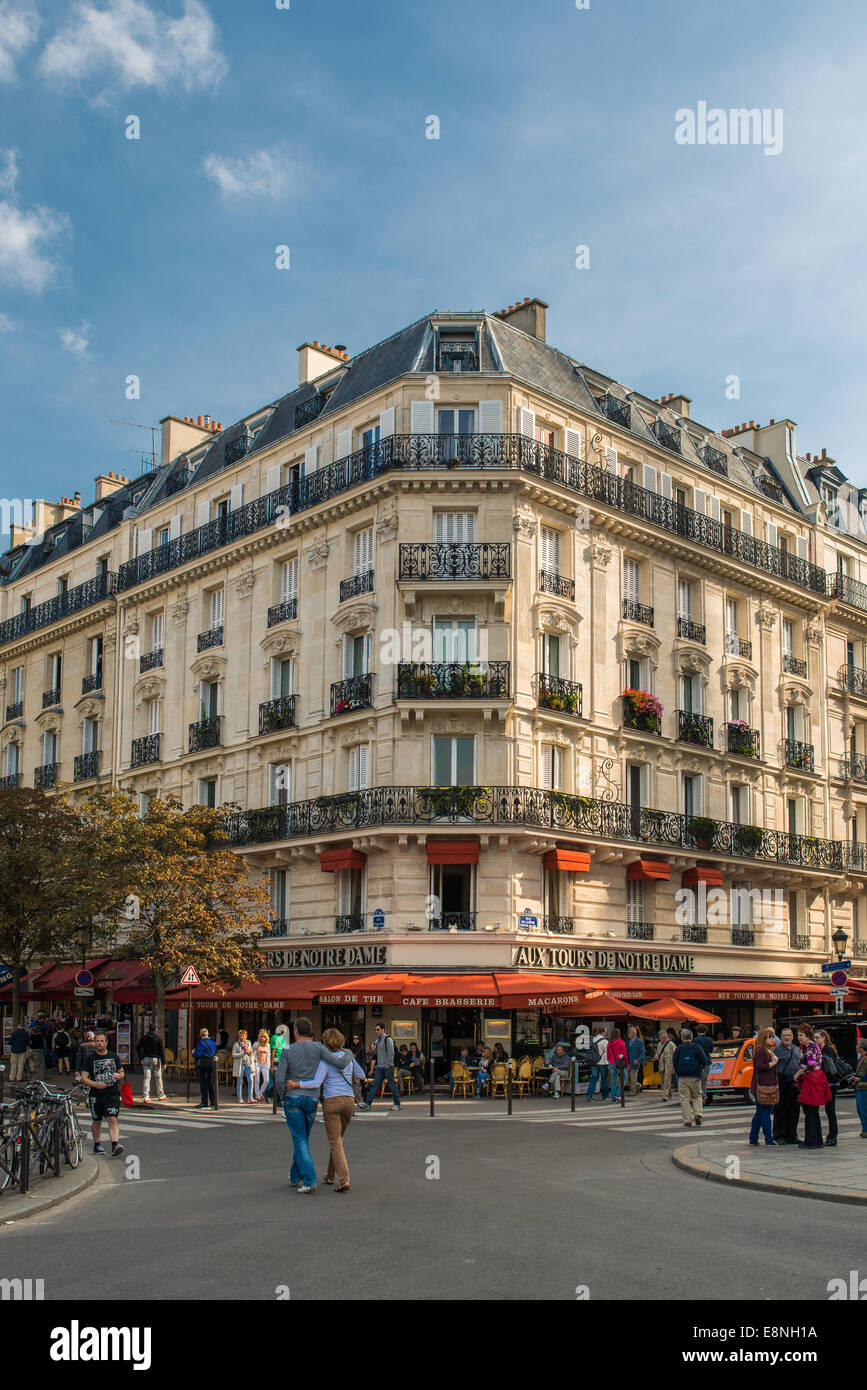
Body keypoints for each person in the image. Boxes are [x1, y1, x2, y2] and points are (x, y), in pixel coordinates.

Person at [273, 1018, 350, 1193]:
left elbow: (279, 1077)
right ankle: (295, 1175)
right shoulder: (319, 1048)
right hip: (312, 1098)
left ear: (295, 1031)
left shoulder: (287, 1050)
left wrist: (282, 1095)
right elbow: (339, 1063)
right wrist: (350, 1054)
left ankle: (308, 1180)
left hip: (293, 1096)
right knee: (302, 1137)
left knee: (299, 1138)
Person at [287, 1027, 367, 1192]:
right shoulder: (348, 1058)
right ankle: (330, 1175)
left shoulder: (325, 1061)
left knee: (335, 1142)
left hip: (332, 1101)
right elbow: (362, 1075)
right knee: (337, 1141)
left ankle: (344, 1179)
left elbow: (316, 1083)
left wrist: (296, 1084)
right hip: (349, 1101)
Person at [80, 1030, 125, 1157]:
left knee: (112, 1118)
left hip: (112, 1093)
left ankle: (115, 1144)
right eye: (97, 1041)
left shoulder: (113, 1056)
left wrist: (118, 1076)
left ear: (106, 1042)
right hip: (96, 1094)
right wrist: (96, 1084)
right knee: (97, 1121)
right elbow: (84, 1078)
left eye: (101, 1041)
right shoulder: (90, 1059)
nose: (99, 1043)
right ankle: (97, 1144)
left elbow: (122, 1072)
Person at [794, 1023, 830, 1149]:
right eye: (798, 1035)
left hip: (811, 1081)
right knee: (813, 1112)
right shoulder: (810, 1046)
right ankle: (817, 1140)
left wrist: (798, 1073)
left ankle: (811, 1141)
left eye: (801, 1035)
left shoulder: (810, 1047)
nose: (799, 1037)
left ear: (808, 1035)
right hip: (815, 1079)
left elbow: (811, 1064)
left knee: (809, 1112)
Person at [815, 1029, 852, 1148]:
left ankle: (832, 1137)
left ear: (824, 1038)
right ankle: (832, 1136)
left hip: (831, 1083)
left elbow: (831, 1069)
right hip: (829, 1083)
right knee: (829, 1110)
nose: (816, 1040)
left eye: (818, 1038)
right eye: (814, 1038)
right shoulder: (823, 1049)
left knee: (830, 1111)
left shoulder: (827, 1050)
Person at [748, 1026, 779, 1146]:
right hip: (763, 1085)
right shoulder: (761, 1051)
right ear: (763, 1039)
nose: (772, 1039)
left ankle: (753, 1138)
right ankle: (769, 1139)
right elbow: (759, 1066)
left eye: (772, 1036)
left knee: (760, 1113)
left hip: (765, 1085)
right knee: (765, 1113)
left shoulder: (767, 1050)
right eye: (769, 1037)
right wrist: (773, 1063)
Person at [772, 1027, 802, 1145]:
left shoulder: (796, 1049)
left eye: (788, 1035)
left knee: (794, 1110)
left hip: (795, 1084)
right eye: (784, 1035)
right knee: (781, 1110)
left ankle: (792, 1135)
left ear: (792, 1037)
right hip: (783, 1082)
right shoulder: (777, 1050)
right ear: (781, 1037)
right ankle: (779, 1135)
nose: (786, 1038)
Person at [672, 1028, 704, 1128]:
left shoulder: (679, 1048)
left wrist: (678, 1072)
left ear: (682, 1038)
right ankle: (698, 1113)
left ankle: (687, 1120)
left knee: (684, 1098)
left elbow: (674, 1061)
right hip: (695, 1075)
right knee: (697, 1095)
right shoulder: (697, 1047)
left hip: (683, 1076)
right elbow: (703, 1059)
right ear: (692, 1037)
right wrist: (701, 1068)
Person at [367, 1023, 401, 1111]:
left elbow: (391, 1053)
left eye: (378, 1029)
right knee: (375, 1085)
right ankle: (367, 1103)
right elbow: (375, 1054)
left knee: (392, 1084)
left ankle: (397, 1104)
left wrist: (388, 1064)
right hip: (379, 1066)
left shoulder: (388, 1039)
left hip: (387, 1067)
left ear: (383, 1029)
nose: (376, 1031)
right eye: (375, 1030)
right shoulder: (377, 1040)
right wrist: (372, 1049)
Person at [136, 1027, 166, 1103]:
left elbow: (138, 1048)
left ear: (148, 1029)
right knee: (158, 1077)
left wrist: (141, 1058)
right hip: (156, 1059)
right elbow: (162, 1051)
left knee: (147, 1078)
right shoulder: (158, 1038)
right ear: (155, 1029)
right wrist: (164, 1062)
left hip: (146, 1058)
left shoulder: (144, 1038)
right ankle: (161, 1095)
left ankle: (146, 1096)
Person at [192, 1027, 218, 1108]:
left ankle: (204, 1101)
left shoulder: (201, 1043)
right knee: (210, 1083)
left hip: (203, 1063)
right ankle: (213, 1101)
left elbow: (198, 1054)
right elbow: (214, 1051)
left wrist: (193, 1053)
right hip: (211, 1063)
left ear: (200, 1034)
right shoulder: (212, 1042)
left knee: (203, 1083)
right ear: (207, 1034)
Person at [586, 1027, 609, 1102]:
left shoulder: (593, 1040)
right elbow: (608, 1052)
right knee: (604, 1080)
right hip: (603, 1062)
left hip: (594, 1062)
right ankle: (605, 1096)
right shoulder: (605, 1041)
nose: (606, 1033)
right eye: (605, 1032)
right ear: (603, 1032)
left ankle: (589, 1094)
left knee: (594, 1079)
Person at [233, 1030, 256, 1103]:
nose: (241, 1036)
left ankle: (250, 1097)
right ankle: (239, 1097)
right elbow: (234, 1055)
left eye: (243, 1035)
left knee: (251, 1080)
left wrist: (250, 1053)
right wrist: (243, 1053)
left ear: (246, 1036)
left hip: (248, 1063)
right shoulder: (236, 1045)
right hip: (240, 1064)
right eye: (240, 1035)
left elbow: (251, 1053)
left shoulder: (248, 1043)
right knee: (240, 1081)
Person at [654, 1029, 676, 1101]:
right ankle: (669, 1094)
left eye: (662, 1037)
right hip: (661, 1065)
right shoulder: (659, 1044)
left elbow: (675, 1055)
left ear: (666, 1037)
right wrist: (656, 1056)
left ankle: (665, 1095)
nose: (661, 1039)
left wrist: (674, 1067)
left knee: (667, 1080)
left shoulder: (671, 1044)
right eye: (660, 1037)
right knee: (663, 1081)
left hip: (669, 1065)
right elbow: (657, 1053)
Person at [608, 1028, 628, 1102]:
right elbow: (624, 1055)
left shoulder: (609, 1043)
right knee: (624, 1077)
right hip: (619, 1063)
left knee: (614, 1080)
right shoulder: (621, 1042)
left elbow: (608, 1054)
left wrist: (611, 1060)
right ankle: (618, 1093)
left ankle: (613, 1098)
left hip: (611, 1063)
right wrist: (626, 1064)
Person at [694, 1026, 713, 1101]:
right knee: (704, 1080)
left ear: (698, 1032)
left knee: (697, 1079)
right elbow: (711, 1050)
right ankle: (703, 1094)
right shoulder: (709, 1040)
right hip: (707, 1061)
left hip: (697, 1062)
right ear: (705, 1031)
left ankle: (699, 1094)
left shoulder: (695, 1040)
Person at [853, 1039, 867, 1138]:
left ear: (862, 1047)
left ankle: (866, 1130)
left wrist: (860, 1078)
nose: (856, 1046)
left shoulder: (865, 1059)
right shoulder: (862, 1058)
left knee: (863, 1109)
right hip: (860, 1086)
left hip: (863, 1086)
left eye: (857, 1045)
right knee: (861, 1109)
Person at [626, 1026, 645, 1096]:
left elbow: (642, 1052)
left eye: (631, 1032)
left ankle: (633, 1091)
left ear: (634, 1033)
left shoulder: (639, 1042)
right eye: (629, 1032)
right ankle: (638, 1085)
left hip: (635, 1062)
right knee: (629, 1078)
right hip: (628, 1062)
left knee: (633, 1077)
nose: (629, 1034)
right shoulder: (627, 1042)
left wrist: (638, 1059)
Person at [254, 1029, 272, 1101]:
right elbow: (253, 1053)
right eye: (261, 1036)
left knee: (267, 1080)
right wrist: (254, 1061)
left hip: (265, 1063)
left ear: (266, 1037)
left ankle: (260, 1092)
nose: (262, 1038)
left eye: (264, 1036)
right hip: (257, 1062)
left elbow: (269, 1055)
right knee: (257, 1080)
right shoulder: (256, 1044)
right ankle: (257, 1095)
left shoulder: (268, 1045)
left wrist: (269, 1065)